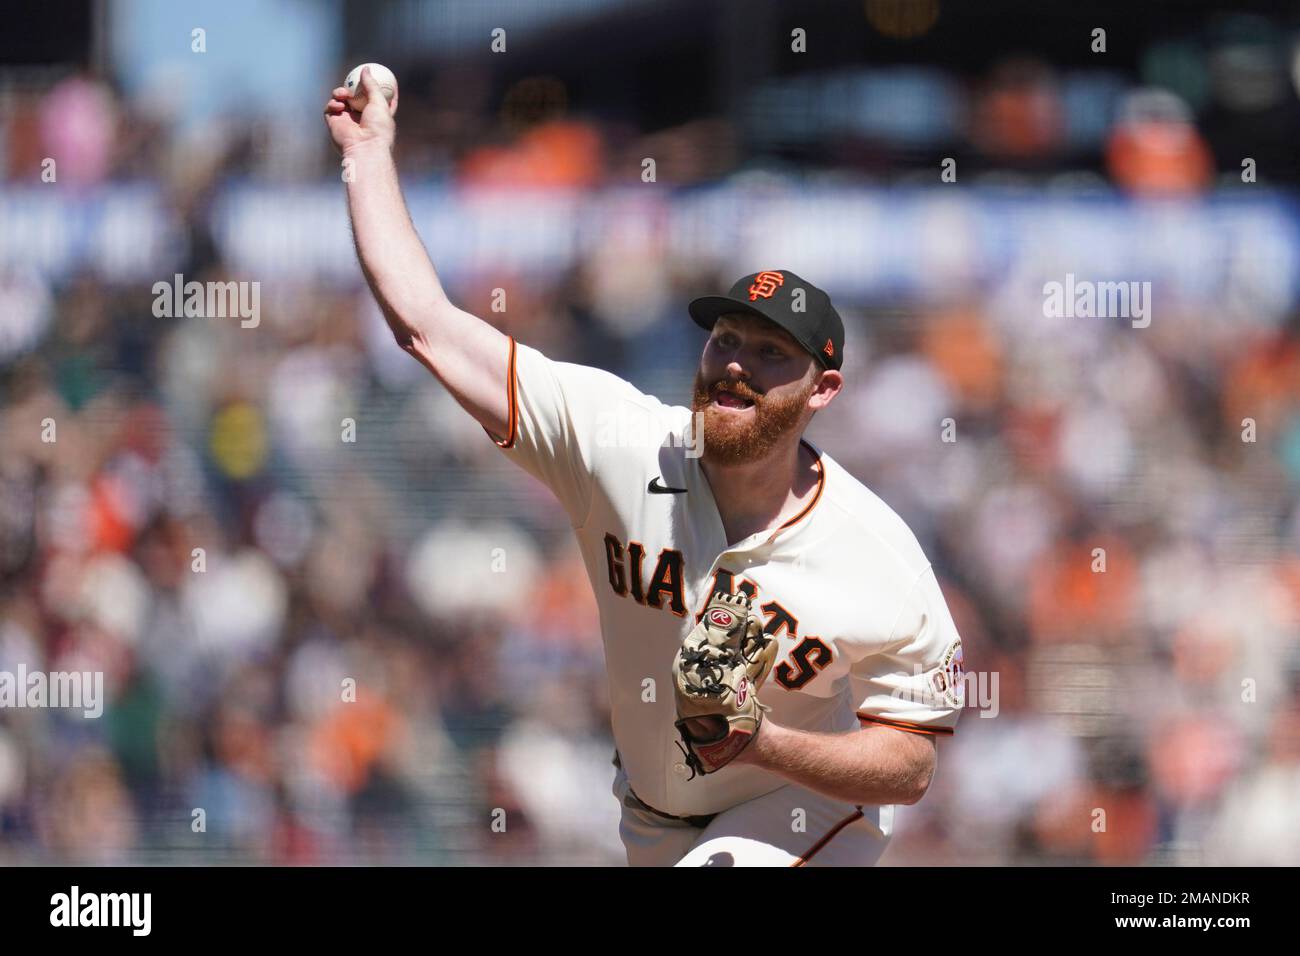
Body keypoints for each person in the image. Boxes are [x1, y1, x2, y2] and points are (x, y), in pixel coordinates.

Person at [324, 69, 964, 867]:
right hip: (652, 809)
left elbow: (909, 764)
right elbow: (428, 326)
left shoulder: (877, 553)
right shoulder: (622, 442)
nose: (736, 366)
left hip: (805, 809)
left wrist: (762, 742)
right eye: (725, 340)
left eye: (769, 354)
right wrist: (369, 153)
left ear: (822, 388)